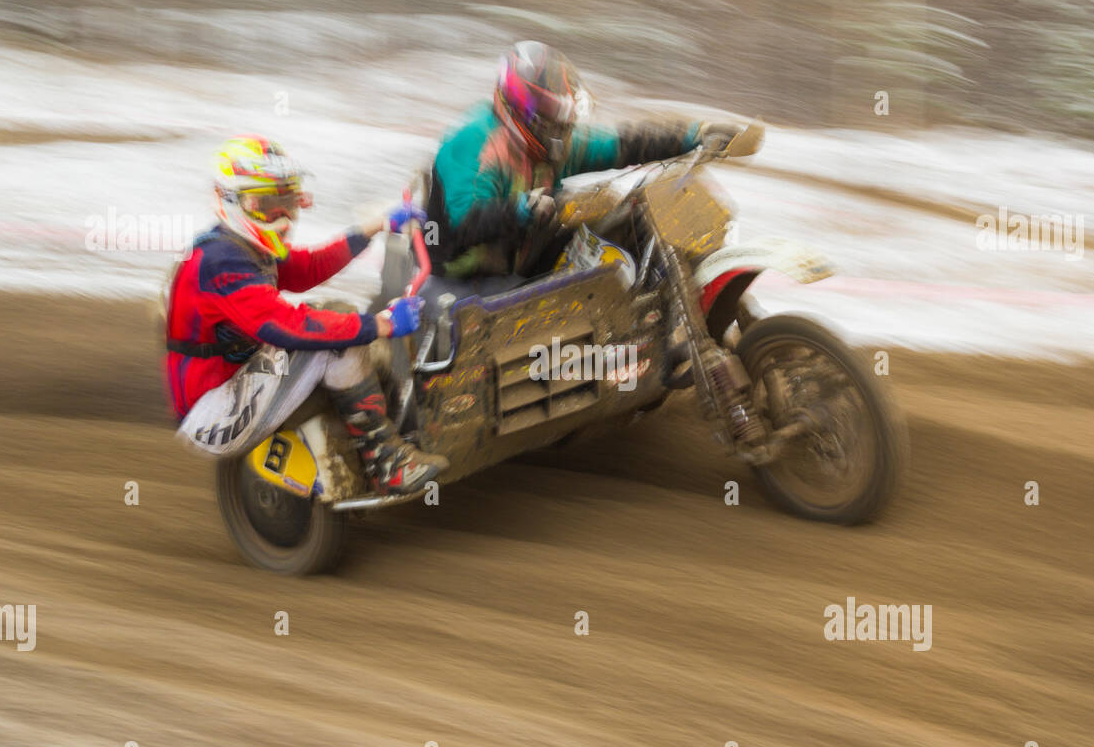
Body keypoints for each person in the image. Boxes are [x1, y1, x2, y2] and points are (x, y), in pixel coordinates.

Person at [162, 135, 446, 496]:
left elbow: (309, 267)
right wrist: (384, 323)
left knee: (340, 322)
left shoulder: (243, 245)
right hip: (212, 412)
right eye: (265, 204)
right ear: (229, 201)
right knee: (336, 337)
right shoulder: (221, 261)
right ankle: (386, 462)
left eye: (286, 202)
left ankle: (378, 426)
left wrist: (377, 225)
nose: (281, 216)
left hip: (238, 383)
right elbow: (289, 327)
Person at [422, 40, 746, 296]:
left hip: (524, 254)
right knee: (579, 304)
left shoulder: (555, 143)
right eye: (547, 114)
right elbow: (465, 221)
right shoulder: (475, 143)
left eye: (561, 115)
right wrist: (523, 209)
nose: (557, 125)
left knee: (632, 217)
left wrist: (697, 135)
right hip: (468, 276)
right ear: (517, 108)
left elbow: (623, 143)